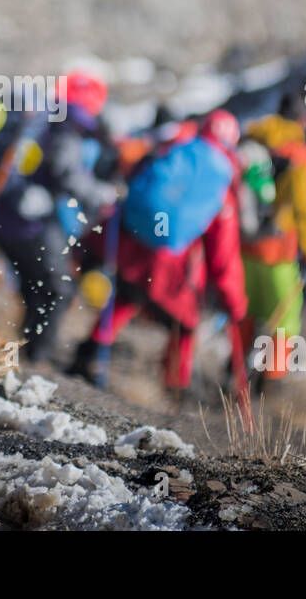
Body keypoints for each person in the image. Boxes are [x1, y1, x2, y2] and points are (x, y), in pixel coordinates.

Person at [71, 111, 249, 408]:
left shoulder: (177, 149)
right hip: (174, 266)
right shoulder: (221, 183)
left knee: (127, 298)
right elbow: (224, 256)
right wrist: (235, 303)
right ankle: (174, 391)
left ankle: (91, 355)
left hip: (135, 247)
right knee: (186, 323)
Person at [0, 73, 118, 364]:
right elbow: (62, 169)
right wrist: (99, 194)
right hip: (32, 222)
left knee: (35, 287)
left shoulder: (40, 118)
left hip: (3, 218)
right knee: (56, 289)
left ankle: (24, 355)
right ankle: (36, 360)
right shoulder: (68, 124)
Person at [236, 91, 306, 387]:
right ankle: (268, 385)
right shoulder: (303, 157)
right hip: (279, 255)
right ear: (304, 120)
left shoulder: (251, 141)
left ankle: (234, 373)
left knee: (245, 313)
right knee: (284, 323)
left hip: (244, 247)